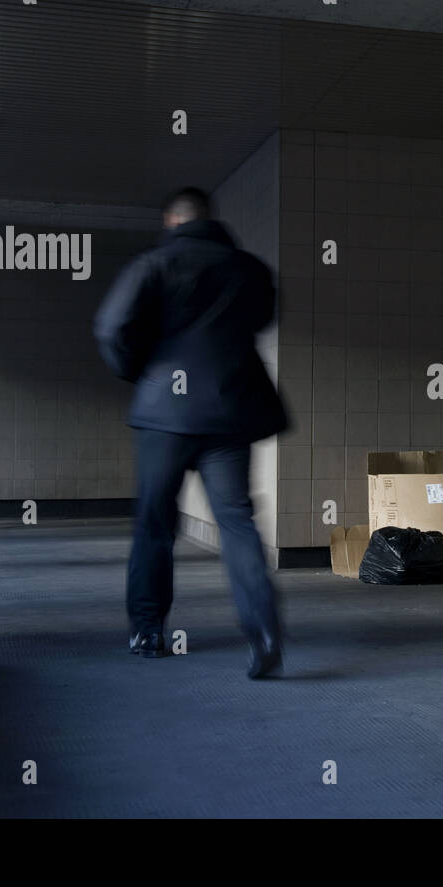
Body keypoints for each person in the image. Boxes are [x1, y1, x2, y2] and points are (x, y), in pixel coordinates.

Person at [94, 187, 287, 678]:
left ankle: (147, 632)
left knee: (156, 524)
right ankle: (263, 631)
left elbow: (111, 327)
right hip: (229, 413)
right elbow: (263, 317)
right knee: (237, 522)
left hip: (165, 416)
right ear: (210, 219)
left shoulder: (154, 263)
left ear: (172, 219)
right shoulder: (249, 268)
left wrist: (142, 373)